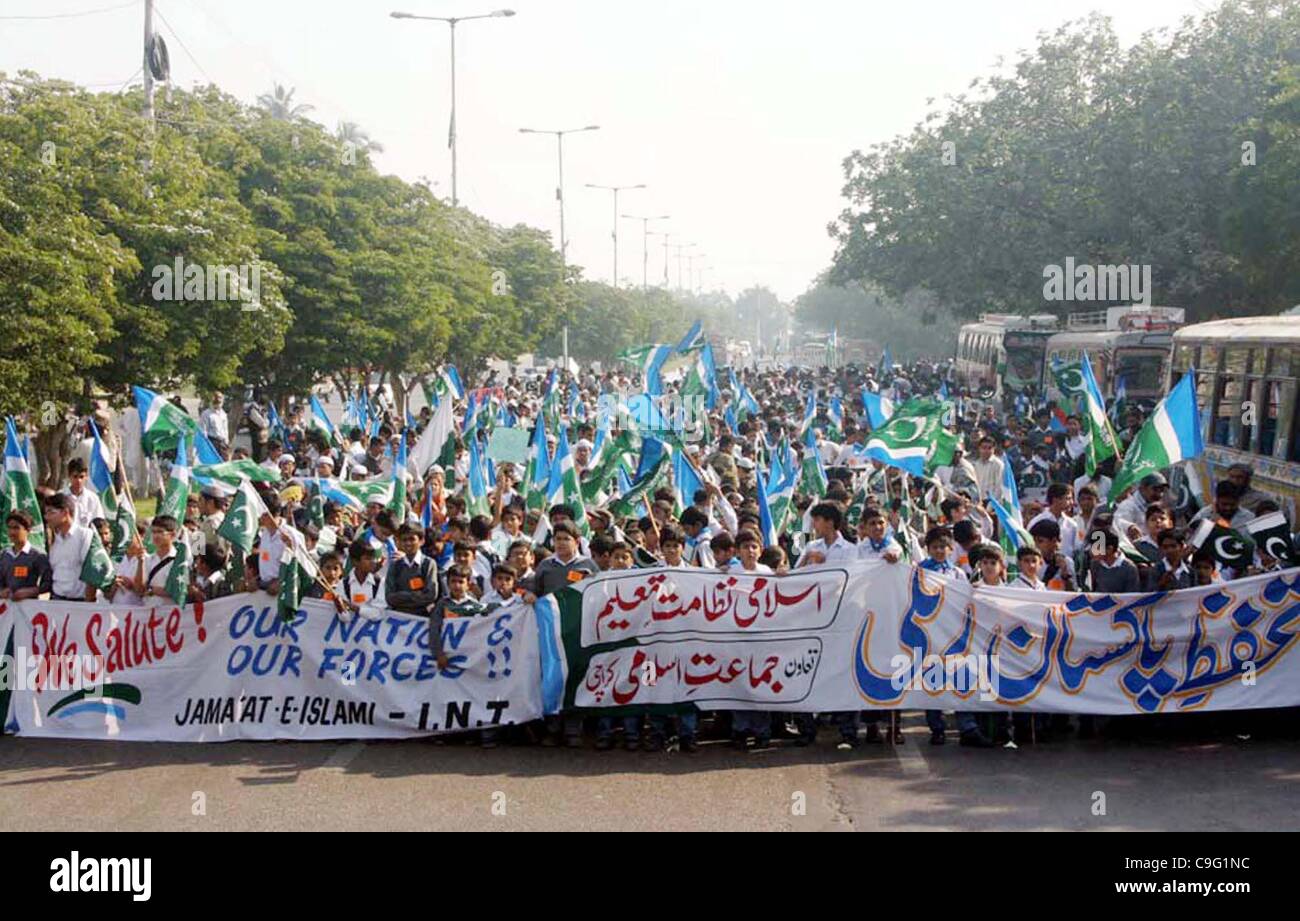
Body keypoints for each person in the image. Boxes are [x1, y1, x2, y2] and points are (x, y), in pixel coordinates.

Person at [917, 525, 965, 745]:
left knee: (958, 677)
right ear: (928, 549)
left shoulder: (957, 573)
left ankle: (964, 723)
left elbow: (965, 601)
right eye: (935, 547)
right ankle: (936, 727)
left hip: (952, 632)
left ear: (951, 548)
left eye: (943, 547)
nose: (939, 551)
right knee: (932, 681)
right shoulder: (919, 571)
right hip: (928, 632)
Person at [45, 493, 97, 602]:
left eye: (51, 512)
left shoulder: (85, 535)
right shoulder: (55, 541)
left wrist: (89, 603)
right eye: (46, 513)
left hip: (79, 603)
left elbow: (92, 571)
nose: (47, 517)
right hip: (57, 600)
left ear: (65, 512)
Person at [383, 523, 440, 615]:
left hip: (422, 617)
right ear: (399, 542)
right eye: (404, 540)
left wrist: (402, 596)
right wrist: (416, 595)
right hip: (399, 616)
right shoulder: (395, 565)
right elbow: (389, 597)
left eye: (412, 539)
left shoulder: (428, 564)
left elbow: (431, 595)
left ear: (421, 541)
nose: (408, 543)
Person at [0, 511, 52, 600]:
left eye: (16, 528)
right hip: (6, 608)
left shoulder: (37, 556)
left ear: (27, 530)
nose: (12, 532)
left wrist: (30, 591)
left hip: (29, 609)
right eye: (9, 528)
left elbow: (48, 583)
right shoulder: (4, 555)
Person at [65, 457, 105, 527]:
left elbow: (99, 523)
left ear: (86, 477)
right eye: (75, 476)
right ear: (69, 476)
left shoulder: (93, 498)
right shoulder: (61, 497)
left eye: (81, 477)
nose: (79, 481)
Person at [200, 392, 230, 459]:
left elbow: (225, 429)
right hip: (212, 442)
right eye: (217, 402)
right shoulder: (206, 414)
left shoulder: (223, 414)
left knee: (223, 463)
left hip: (222, 443)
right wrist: (206, 446)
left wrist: (226, 442)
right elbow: (203, 431)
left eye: (220, 402)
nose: (218, 404)